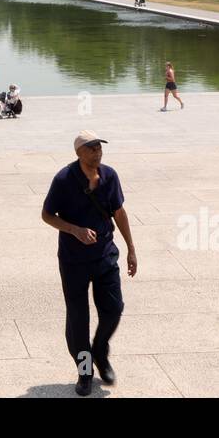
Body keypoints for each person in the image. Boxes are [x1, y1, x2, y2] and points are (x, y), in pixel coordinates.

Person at [40, 130, 136, 396]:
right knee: (78, 320)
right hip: (73, 261)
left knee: (113, 309)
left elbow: (119, 212)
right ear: (79, 153)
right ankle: (85, 371)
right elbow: (47, 215)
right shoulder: (63, 179)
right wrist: (74, 230)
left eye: (99, 147)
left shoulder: (110, 176)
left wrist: (131, 248)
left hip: (105, 254)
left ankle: (100, 350)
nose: (98, 152)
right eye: (92, 148)